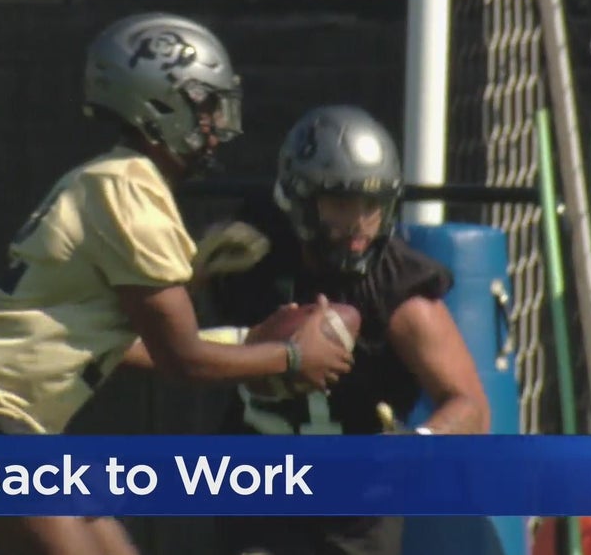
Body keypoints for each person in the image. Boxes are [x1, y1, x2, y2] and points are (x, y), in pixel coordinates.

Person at [0, 13, 354, 555]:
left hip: (3, 414)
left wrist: (245, 340)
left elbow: (128, 347)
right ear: (159, 105)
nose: (216, 122)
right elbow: (181, 360)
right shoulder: (129, 192)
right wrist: (288, 356)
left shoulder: (120, 181)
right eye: (204, 104)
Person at [202, 105, 491, 555]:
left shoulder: (399, 292)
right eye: (342, 204)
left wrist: (417, 445)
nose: (359, 227)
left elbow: (470, 405)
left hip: (354, 511)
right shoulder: (248, 255)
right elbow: (177, 340)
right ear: (300, 199)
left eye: (371, 206)